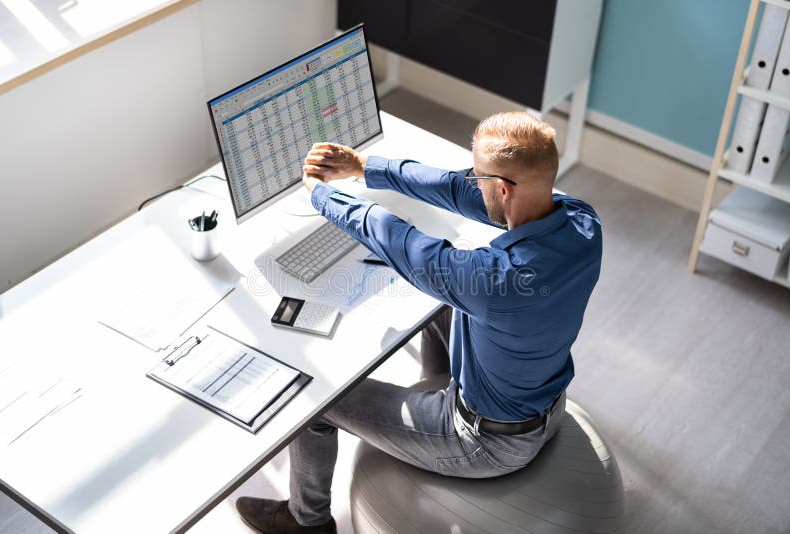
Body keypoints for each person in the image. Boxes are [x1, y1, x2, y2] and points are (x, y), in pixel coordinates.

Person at [235, 111, 602, 533]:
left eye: (478, 179)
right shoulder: (582, 221)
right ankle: (437, 385)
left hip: (485, 442)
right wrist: (364, 168)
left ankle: (306, 521)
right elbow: (453, 189)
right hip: (545, 403)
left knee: (317, 405)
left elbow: (398, 239)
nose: (470, 184)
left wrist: (320, 196)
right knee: (444, 302)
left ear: (502, 189)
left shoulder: (495, 281)